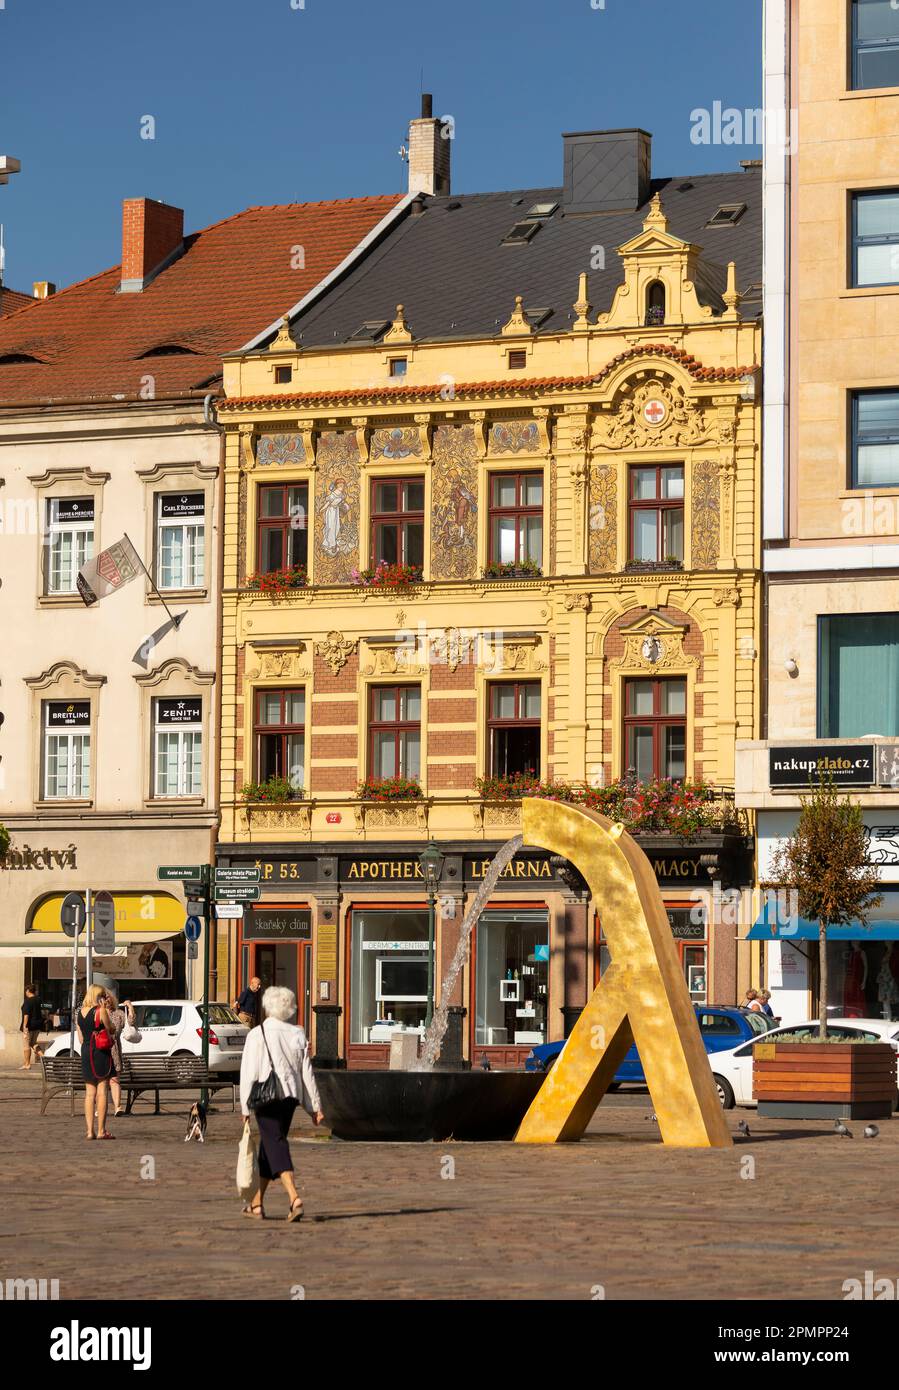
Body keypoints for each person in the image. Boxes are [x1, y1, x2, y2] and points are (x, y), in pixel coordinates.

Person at [239, 986, 324, 1222]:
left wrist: (245, 1108)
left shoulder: (257, 1034)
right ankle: (256, 1204)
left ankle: (294, 1198)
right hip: (289, 1099)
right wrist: (314, 1107)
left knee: (275, 1143)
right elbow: (307, 1073)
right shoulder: (297, 1034)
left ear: (267, 1006)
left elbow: (248, 1073)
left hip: (265, 1099)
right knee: (269, 1147)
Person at [77, 983, 117, 1141]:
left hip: (86, 1051)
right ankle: (101, 1130)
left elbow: (81, 1035)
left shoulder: (80, 1012)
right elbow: (111, 1029)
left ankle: (89, 1131)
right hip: (100, 1052)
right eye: (101, 995)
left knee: (89, 1094)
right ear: (97, 996)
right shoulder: (100, 1011)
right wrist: (106, 1012)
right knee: (101, 1092)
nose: (103, 998)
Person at [105, 990, 138, 1118]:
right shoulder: (97, 1013)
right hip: (100, 1049)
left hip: (114, 1049)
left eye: (108, 998)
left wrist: (130, 1007)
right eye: (104, 998)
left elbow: (131, 1022)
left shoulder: (118, 1013)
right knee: (102, 1081)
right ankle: (100, 1107)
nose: (107, 1000)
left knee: (114, 1079)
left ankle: (118, 1107)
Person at [20, 985, 44, 1069]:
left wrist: (24, 1027)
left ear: (27, 991)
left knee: (26, 1044)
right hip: (37, 1025)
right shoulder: (38, 1000)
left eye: (25, 991)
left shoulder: (28, 1001)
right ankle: (43, 1058)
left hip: (29, 1026)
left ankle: (27, 1064)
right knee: (33, 1043)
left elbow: (26, 1015)